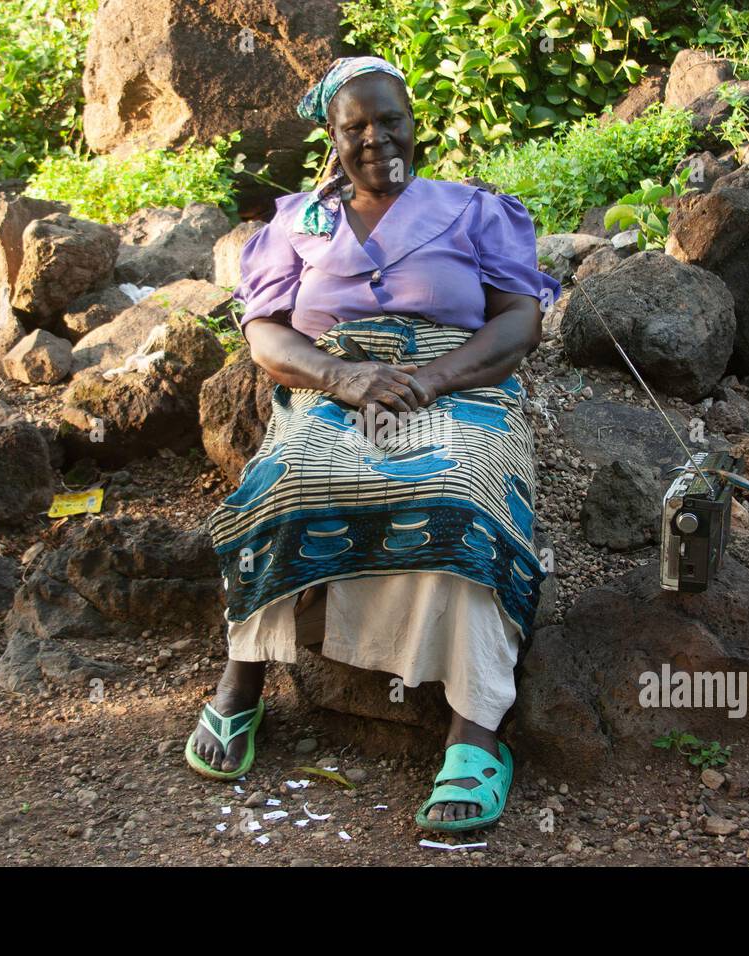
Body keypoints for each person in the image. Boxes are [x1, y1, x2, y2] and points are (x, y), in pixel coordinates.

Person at [189, 55, 560, 833]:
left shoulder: (473, 210)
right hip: (335, 388)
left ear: (414, 124)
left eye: (389, 120)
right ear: (332, 136)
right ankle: (241, 682)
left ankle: (474, 733)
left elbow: (518, 322)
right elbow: (264, 335)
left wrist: (428, 380)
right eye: (355, 126)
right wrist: (341, 377)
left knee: (461, 496)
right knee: (283, 486)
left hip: (458, 387)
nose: (375, 139)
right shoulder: (298, 220)